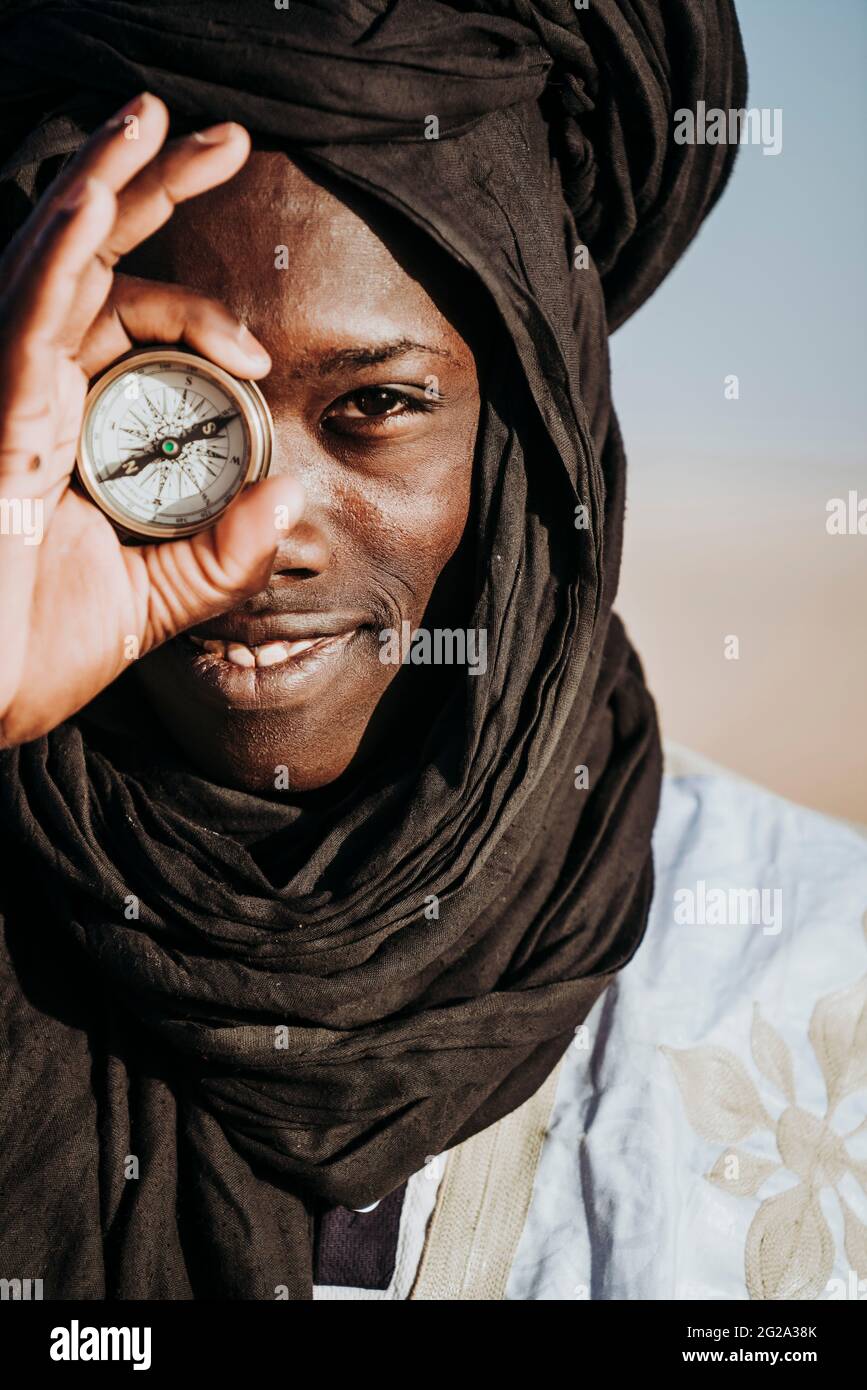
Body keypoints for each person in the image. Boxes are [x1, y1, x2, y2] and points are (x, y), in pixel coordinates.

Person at [0, 0, 783, 1301]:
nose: (259, 539)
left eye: (374, 407)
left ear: (532, 430)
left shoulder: (812, 978)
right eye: (161, 420)